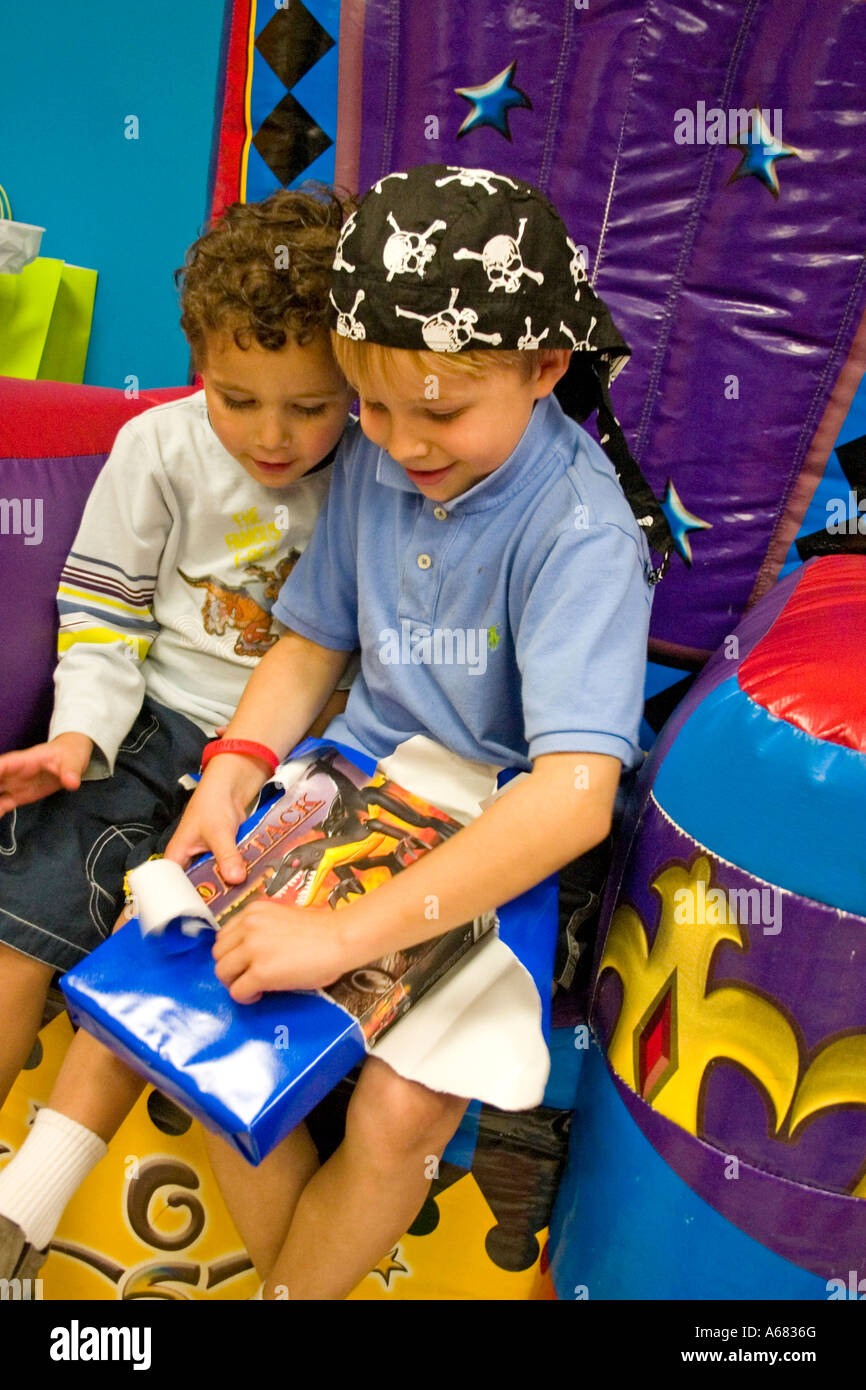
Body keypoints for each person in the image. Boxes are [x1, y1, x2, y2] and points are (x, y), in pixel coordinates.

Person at [159, 164, 672, 1300]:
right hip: (347, 788)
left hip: (496, 831)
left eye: (437, 410)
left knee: (400, 1109)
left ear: (543, 370)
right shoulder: (380, 460)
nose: (398, 442)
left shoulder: (578, 529)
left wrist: (345, 940)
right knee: (199, 1017)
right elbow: (306, 645)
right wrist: (230, 774)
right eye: (373, 407)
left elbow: (571, 797)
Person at [0, 187, 356, 1284]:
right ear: (196, 362)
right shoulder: (155, 445)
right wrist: (78, 738)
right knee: (20, 934)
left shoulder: (383, 470)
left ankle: (20, 1218)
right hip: (145, 730)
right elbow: (101, 614)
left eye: (310, 405)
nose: (272, 436)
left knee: (157, 974)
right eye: (238, 399)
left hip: (292, 771)